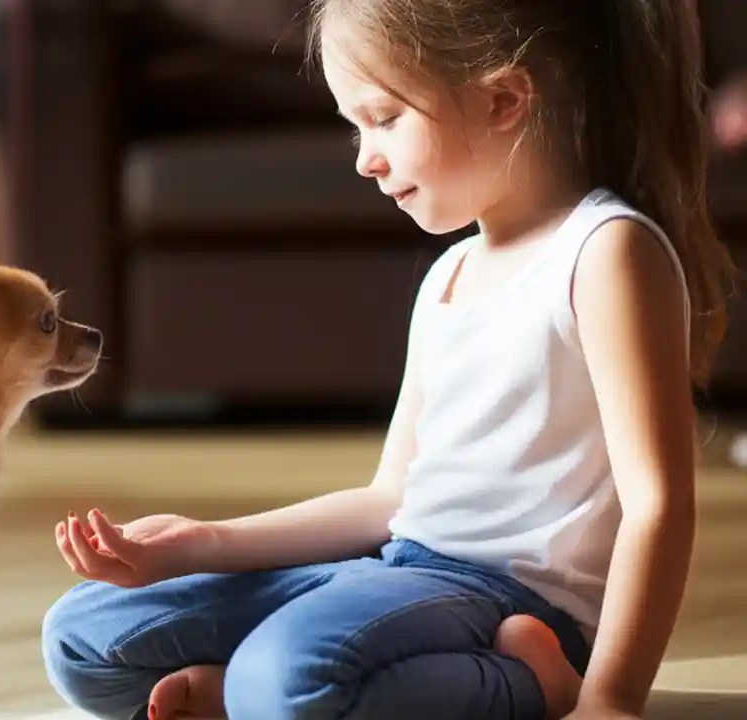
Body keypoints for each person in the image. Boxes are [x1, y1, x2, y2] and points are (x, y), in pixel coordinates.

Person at [40, 1, 738, 719]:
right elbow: (390, 500)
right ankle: (261, 693)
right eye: (355, 127)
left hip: (516, 600)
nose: (364, 158)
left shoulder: (605, 252)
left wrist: (613, 699)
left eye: (383, 118)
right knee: (83, 636)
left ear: (503, 99)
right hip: (396, 571)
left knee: (285, 679)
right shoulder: (449, 274)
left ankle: (535, 682)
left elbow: (657, 501)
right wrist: (202, 543)